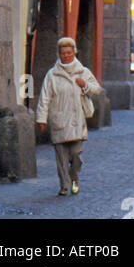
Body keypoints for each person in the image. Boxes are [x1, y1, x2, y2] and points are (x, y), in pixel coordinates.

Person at [36, 36, 101, 196]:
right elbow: (45, 97)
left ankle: (74, 177)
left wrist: (84, 85)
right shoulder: (52, 75)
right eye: (63, 53)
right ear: (59, 54)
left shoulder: (83, 72)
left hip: (76, 120)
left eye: (69, 53)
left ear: (74, 53)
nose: (66, 56)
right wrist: (41, 118)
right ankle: (64, 185)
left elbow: (97, 90)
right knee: (61, 157)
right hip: (58, 118)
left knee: (76, 154)